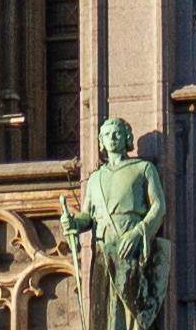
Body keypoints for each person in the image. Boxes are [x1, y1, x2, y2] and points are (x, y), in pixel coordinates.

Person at [69, 108, 170, 330]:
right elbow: (87, 215)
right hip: (104, 249)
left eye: (117, 133)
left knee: (134, 314)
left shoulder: (143, 168)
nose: (112, 138)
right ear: (101, 142)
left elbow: (159, 207)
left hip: (130, 247)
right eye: (107, 134)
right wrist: (74, 223)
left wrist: (138, 232)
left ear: (126, 139)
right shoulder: (95, 179)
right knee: (106, 314)